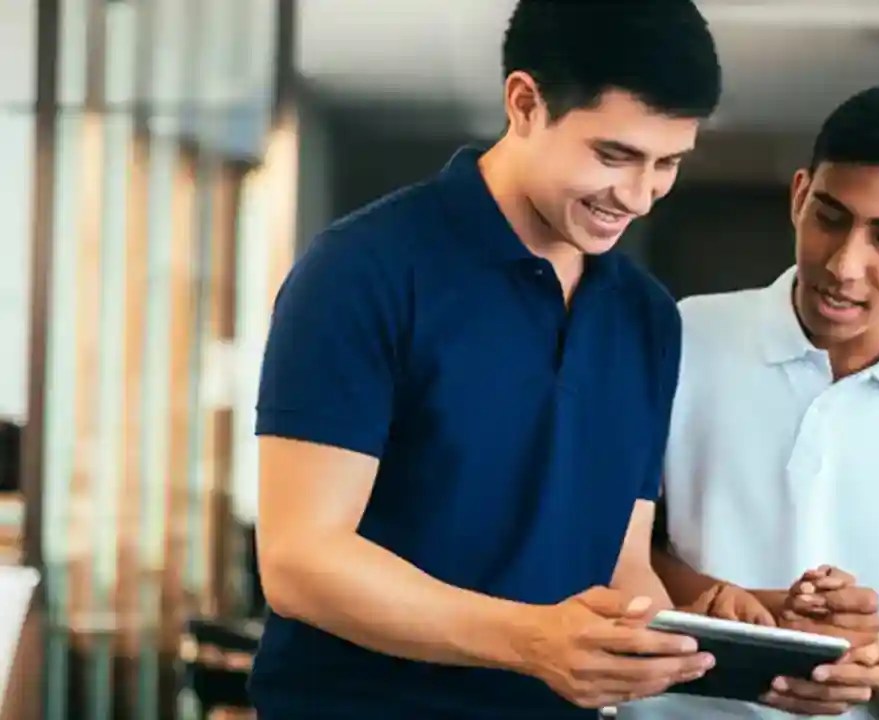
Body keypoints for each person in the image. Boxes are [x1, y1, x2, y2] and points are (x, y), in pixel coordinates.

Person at [248, 1, 722, 717]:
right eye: (614, 155)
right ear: (525, 103)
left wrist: (745, 647)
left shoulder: (647, 317)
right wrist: (528, 639)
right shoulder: (363, 269)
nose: (639, 196)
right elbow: (300, 560)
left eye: (668, 164)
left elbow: (622, 563)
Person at [623, 86, 879, 719]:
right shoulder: (684, 338)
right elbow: (614, 545)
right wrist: (715, 596)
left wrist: (865, 659)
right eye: (831, 217)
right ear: (798, 198)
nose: (845, 264)